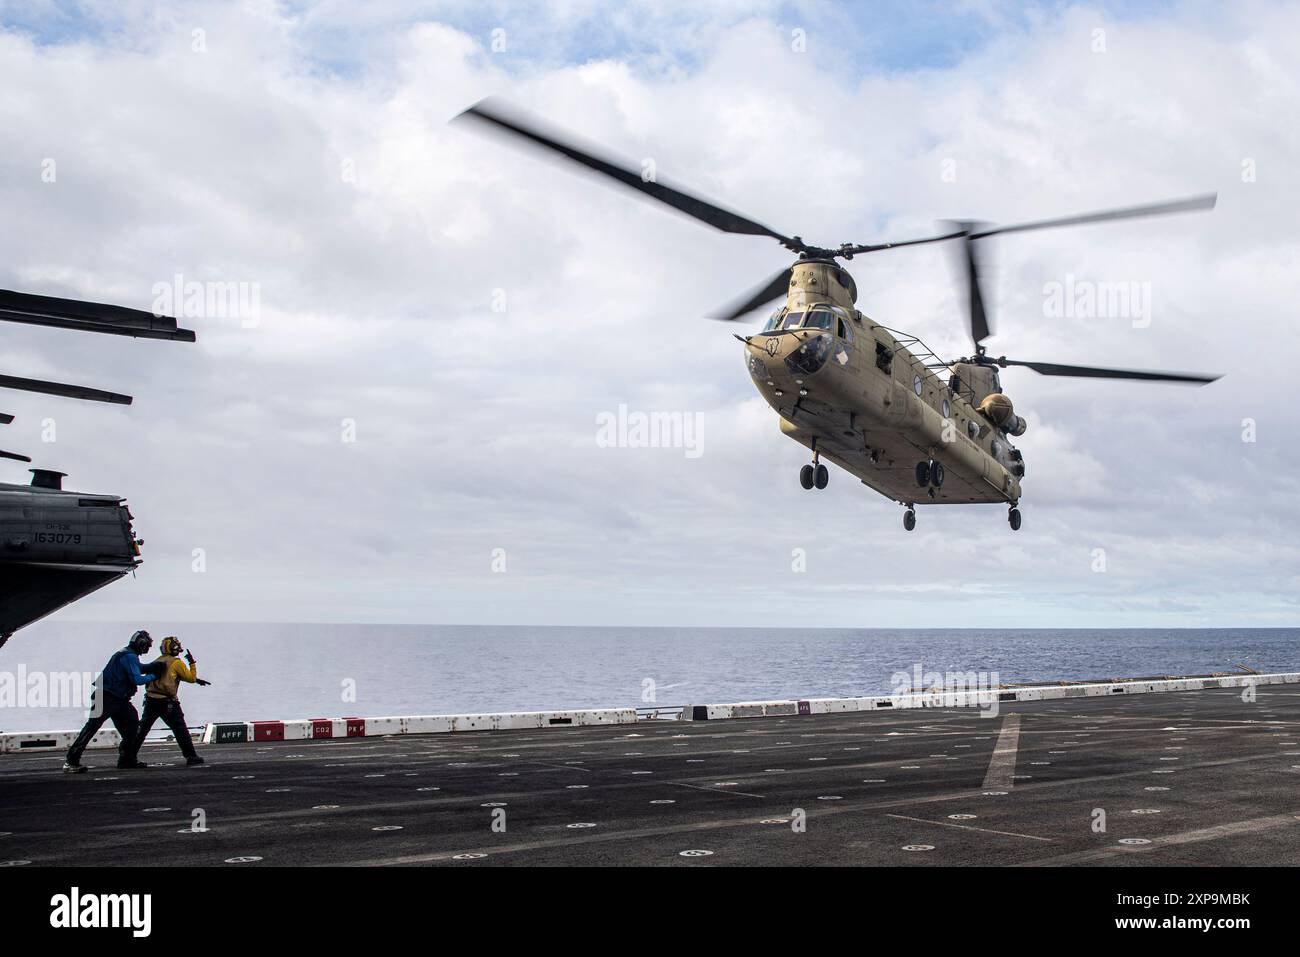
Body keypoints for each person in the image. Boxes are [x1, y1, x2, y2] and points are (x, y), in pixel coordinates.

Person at [63, 630, 157, 772]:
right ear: (141, 644)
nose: (148, 649)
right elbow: (137, 679)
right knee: (92, 728)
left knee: (131, 726)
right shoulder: (130, 656)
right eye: (147, 646)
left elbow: (138, 668)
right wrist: (153, 675)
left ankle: (127, 760)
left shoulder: (125, 653)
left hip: (116, 698)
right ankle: (71, 761)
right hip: (107, 697)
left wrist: (154, 666)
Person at [132, 636, 209, 766]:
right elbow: (190, 678)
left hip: (151, 700)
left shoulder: (158, 660)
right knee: (180, 729)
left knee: (142, 730)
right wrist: (192, 663)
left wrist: (197, 680)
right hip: (167, 703)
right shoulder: (176, 662)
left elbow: (166, 676)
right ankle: (191, 756)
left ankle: (129, 756)